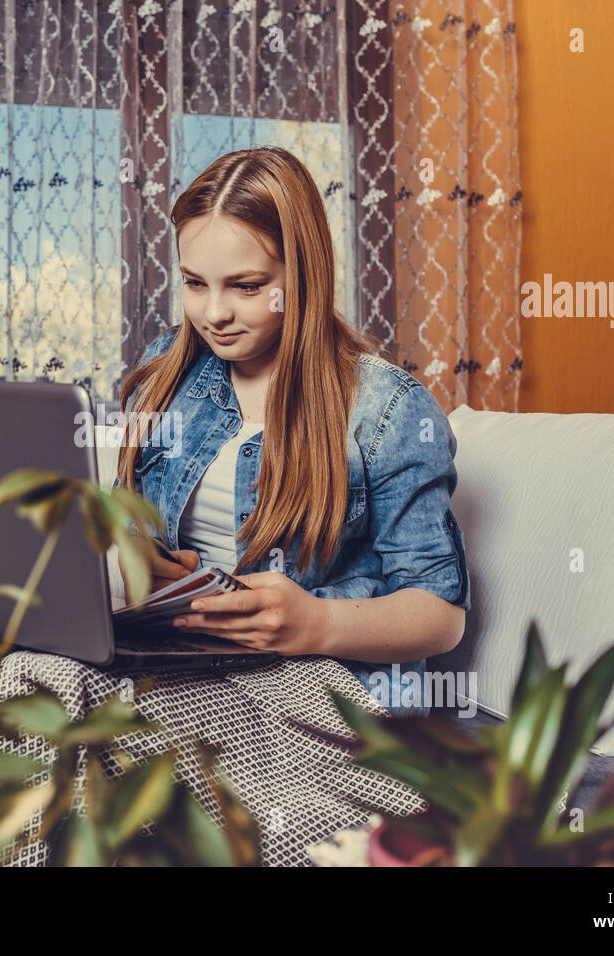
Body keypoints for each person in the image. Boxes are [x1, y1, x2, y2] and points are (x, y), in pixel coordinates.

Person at [111, 146, 470, 716]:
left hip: (324, 688)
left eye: (246, 286)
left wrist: (318, 624)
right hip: (178, 664)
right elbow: (125, 525)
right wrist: (139, 563)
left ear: (300, 274)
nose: (215, 313)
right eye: (195, 283)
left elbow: (441, 615)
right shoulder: (164, 375)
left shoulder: (388, 409)